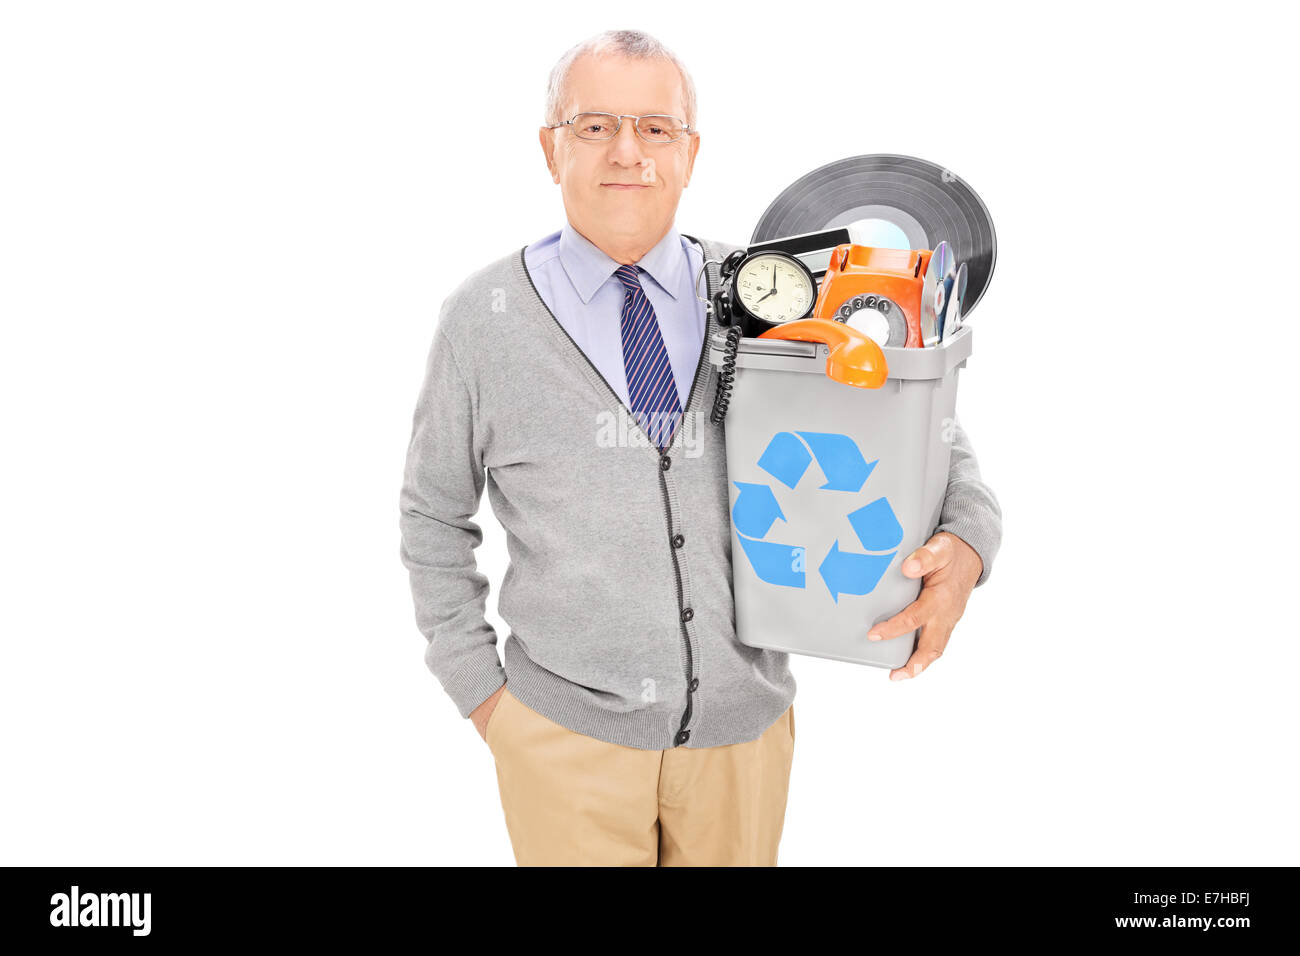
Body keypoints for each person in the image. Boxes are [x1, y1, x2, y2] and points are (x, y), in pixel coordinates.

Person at [398, 29, 1002, 866]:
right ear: (549, 147)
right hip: (561, 740)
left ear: (690, 154)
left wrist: (970, 537)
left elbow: (923, 425)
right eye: (594, 126)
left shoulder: (776, 294)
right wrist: (483, 698)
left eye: (656, 128)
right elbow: (432, 513)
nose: (628, 152)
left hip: (741, 742)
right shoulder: (482, 320)